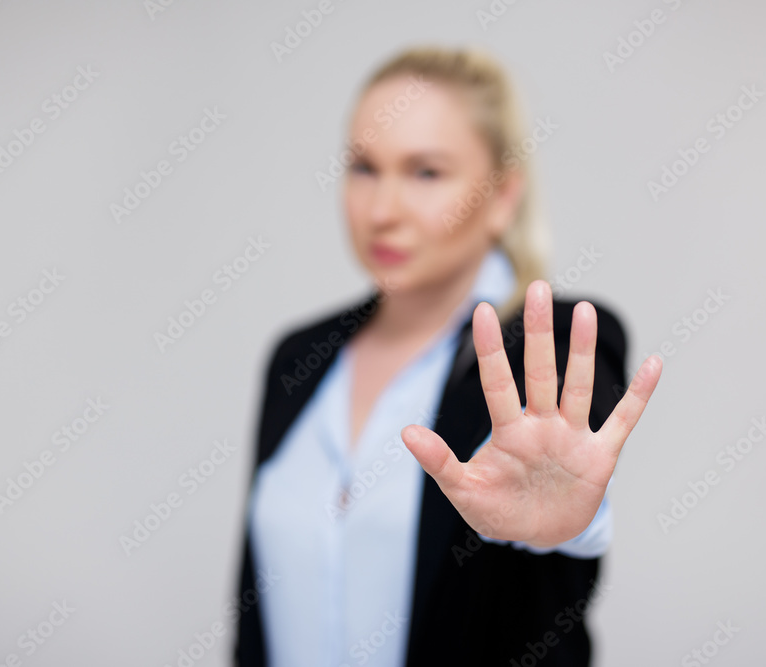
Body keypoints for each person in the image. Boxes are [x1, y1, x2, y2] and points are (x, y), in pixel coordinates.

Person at [232, 46, 662, 667]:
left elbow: (562, 515)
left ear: (502, 196)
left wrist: (566, 525)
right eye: (363, 168)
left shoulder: (554, 344)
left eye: (426, 172)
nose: (382, 212)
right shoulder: (299, 358)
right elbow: (254, 623)